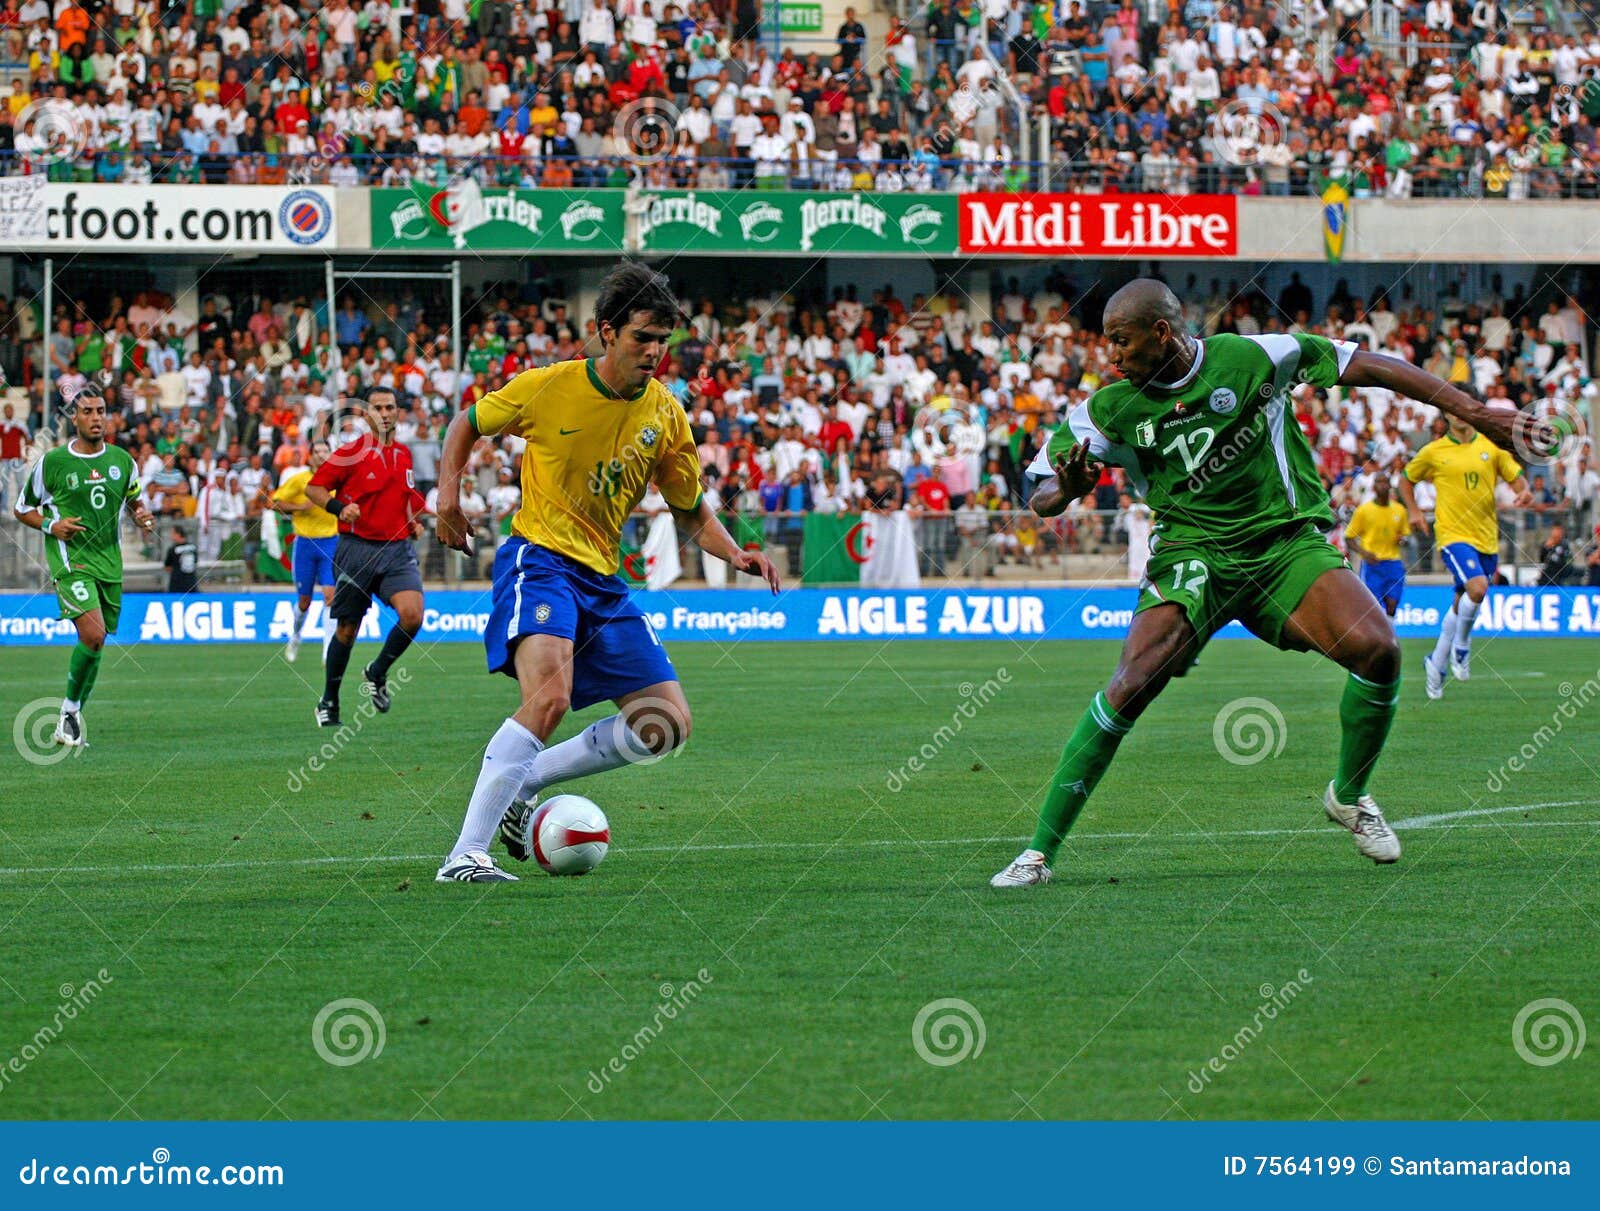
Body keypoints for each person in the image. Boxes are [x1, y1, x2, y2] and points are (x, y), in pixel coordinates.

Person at [991, 279, 1550, 888]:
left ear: (1161, 333)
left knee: (1380, 650)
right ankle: (1037, 855)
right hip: (1193, 556)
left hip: (1283, 546)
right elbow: (1041, 492)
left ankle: (1350, 796)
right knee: (1129, 685)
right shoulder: (1110, 408)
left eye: (1121, 341)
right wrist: (1068, 490)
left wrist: (1476, 413)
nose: (1112, 355)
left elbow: (1368, 365)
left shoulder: (1254, 357)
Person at [431, 262, 781, 883]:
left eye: (662, 340)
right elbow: (468, 423)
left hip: (603, 579)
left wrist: (734, 552)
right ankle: (465, 855)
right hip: (540, 559)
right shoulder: (549, 386)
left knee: (664, 725)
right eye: (642, 337)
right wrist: (448, 498)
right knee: (549, 698)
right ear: (607, 331)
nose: (654, 352)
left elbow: (689, 507)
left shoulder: (665, 414)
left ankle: (524, 781)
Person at [12, 393, 156, 748]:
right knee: (93, 632)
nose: (96, 417)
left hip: (109, 561)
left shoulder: (122, 461)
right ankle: (68, 713)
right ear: (74, 418)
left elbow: (134, 498)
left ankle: (73, 713)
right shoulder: (53, 462)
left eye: (101, 411)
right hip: (71, 559)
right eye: (87, 411)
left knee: (97, 639)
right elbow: (22, 508)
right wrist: (52, 525)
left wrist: (141, 514)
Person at [304, 392, 428, 727]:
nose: (385, 413)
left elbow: (404, 497)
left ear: (398, 412)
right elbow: (314, 489)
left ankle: (377, 670)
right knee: (347, 629)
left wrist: (412, 522)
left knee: (413, 615)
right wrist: (339, 509)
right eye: (378, 408)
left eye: (390, 408)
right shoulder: (350, 453)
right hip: (356, 549)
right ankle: (329, 700)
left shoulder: (403, 453)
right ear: (366, 414)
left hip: (397, 550)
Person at [1398, 411, 1532, 698]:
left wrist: (1524, 492)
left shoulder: (1490, 446)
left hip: (1486, 538)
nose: (1458, 415)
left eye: (1463, 408)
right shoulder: (1433, 451)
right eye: (1452, 410)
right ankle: (1462, 645)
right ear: (1446, 415)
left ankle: (1436, 662)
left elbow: (1517, 478)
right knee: (1478, 588)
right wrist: (1413, 511)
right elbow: (1405, 479)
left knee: (1463, 599)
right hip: (1452, 535)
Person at [271, 437, 339, 662]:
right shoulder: (299, 480)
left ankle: (328, 648)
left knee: (330, 596)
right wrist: (300, 507)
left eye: (325, 451)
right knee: (304, 601)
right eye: (317, 451)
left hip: (330, 542)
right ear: (310, 456)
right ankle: (296, 636)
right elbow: (275, 502)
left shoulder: (338, 480)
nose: (321, 455)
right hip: (305, 544)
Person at [1343, 473, 1410, 615]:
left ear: (1390, 486)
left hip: (1393, 562)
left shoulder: (1399, 510)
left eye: (1385, 482)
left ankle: (1389, 628)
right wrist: (1364, 553)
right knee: (1374, 605)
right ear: (1374, 487)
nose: (1382, 486)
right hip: (1372, 564)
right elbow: (1349, 537)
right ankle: (1382, 629)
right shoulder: (1363, 510)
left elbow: (1405, 536)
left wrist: (1402, 540)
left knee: (1393, 604)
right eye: (1379, 482)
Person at [164, 524, 198, 593]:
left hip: (177, 584)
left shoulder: (173, 549)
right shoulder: (193, 547)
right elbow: (195, 562)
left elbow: (167, 567)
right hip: (192, 583)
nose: (171, 536)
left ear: (178, 534)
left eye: (172, 534)